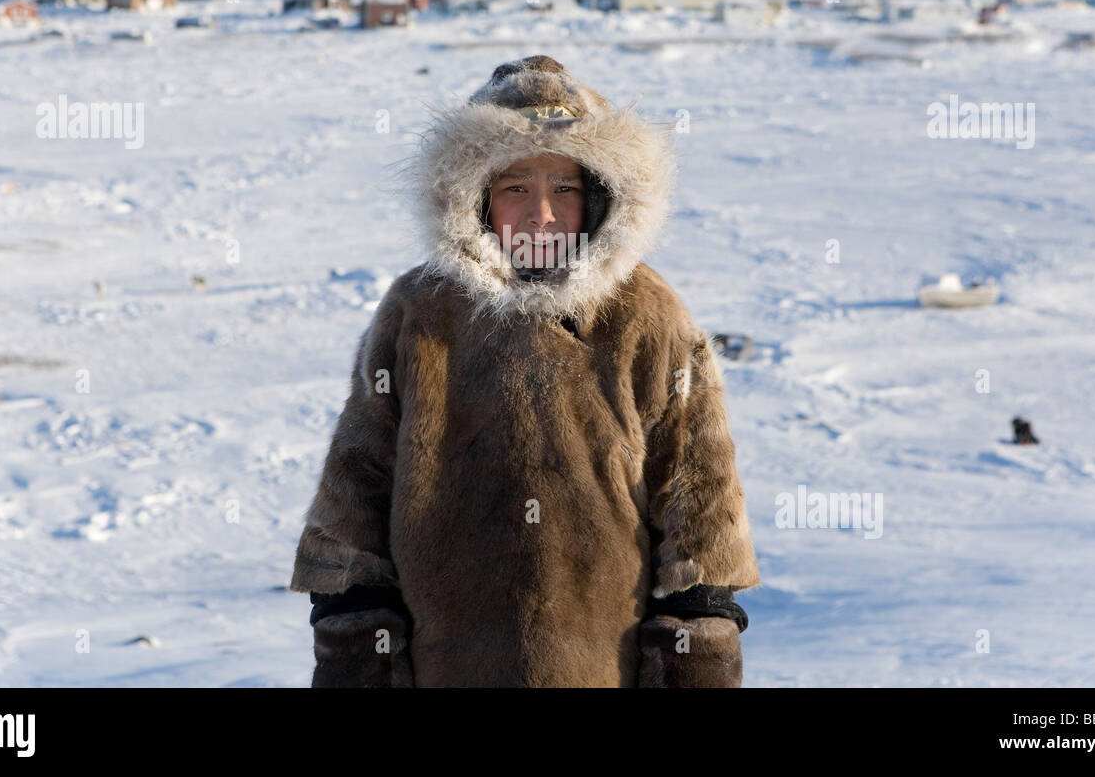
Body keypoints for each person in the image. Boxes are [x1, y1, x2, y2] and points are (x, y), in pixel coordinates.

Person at [289, 55, 760, 687]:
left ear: (600, 199)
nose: (542, 215)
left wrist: (693, 657)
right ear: (474, 198)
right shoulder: (420, 315)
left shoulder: (649, 316)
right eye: (517, 187)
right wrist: (355, 645)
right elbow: (355, 496)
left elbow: (701, 521)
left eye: (564, 188)